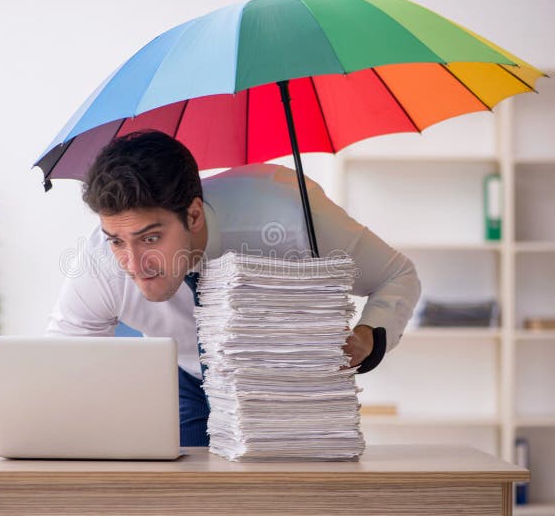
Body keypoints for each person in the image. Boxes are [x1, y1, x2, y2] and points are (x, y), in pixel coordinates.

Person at [46, 130, 421, 446]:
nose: (134, 262)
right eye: (116, 240)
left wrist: (368, 336)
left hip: (280, 380)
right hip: (184, 377)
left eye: (151, 238)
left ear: (193, 215)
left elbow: (397, 276)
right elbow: (65, 364)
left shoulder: (291, 216)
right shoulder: (99, 261)